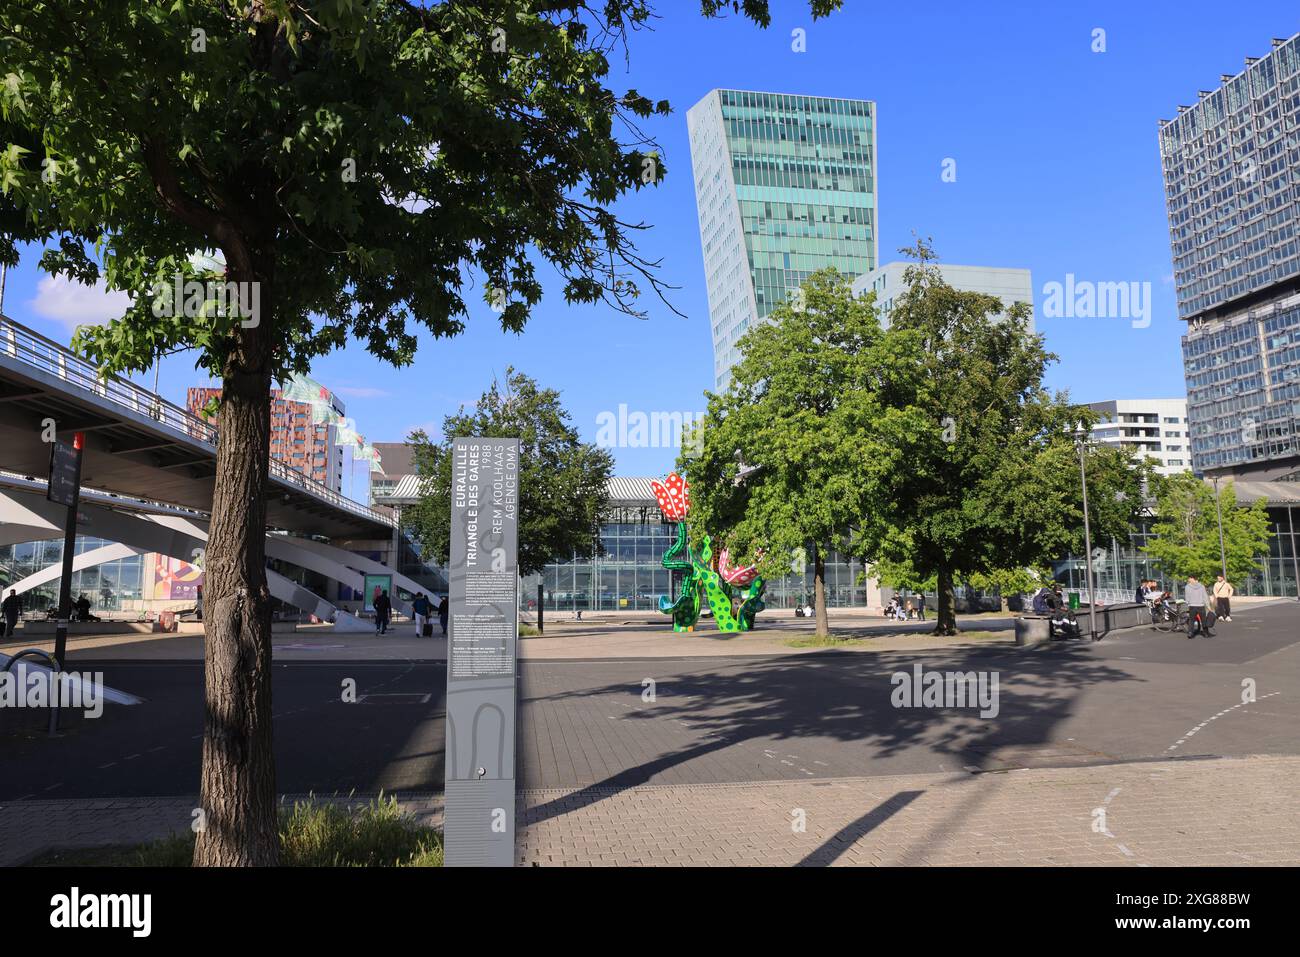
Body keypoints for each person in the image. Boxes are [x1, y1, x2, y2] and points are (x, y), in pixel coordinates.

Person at [1183, 575, 1212, 639]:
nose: (1188, 580)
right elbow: (1205, 596)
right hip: (1201, 606)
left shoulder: (1187, 587)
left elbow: (1187, 597)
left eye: (1189, 578)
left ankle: (1190, 633)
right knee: (1203, 620)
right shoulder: (1202, 586)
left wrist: (1188, 603)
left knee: (1191, 620)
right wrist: (1208, 606)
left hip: (1192, 606)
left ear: (1192, 578)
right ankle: (1206, 633)